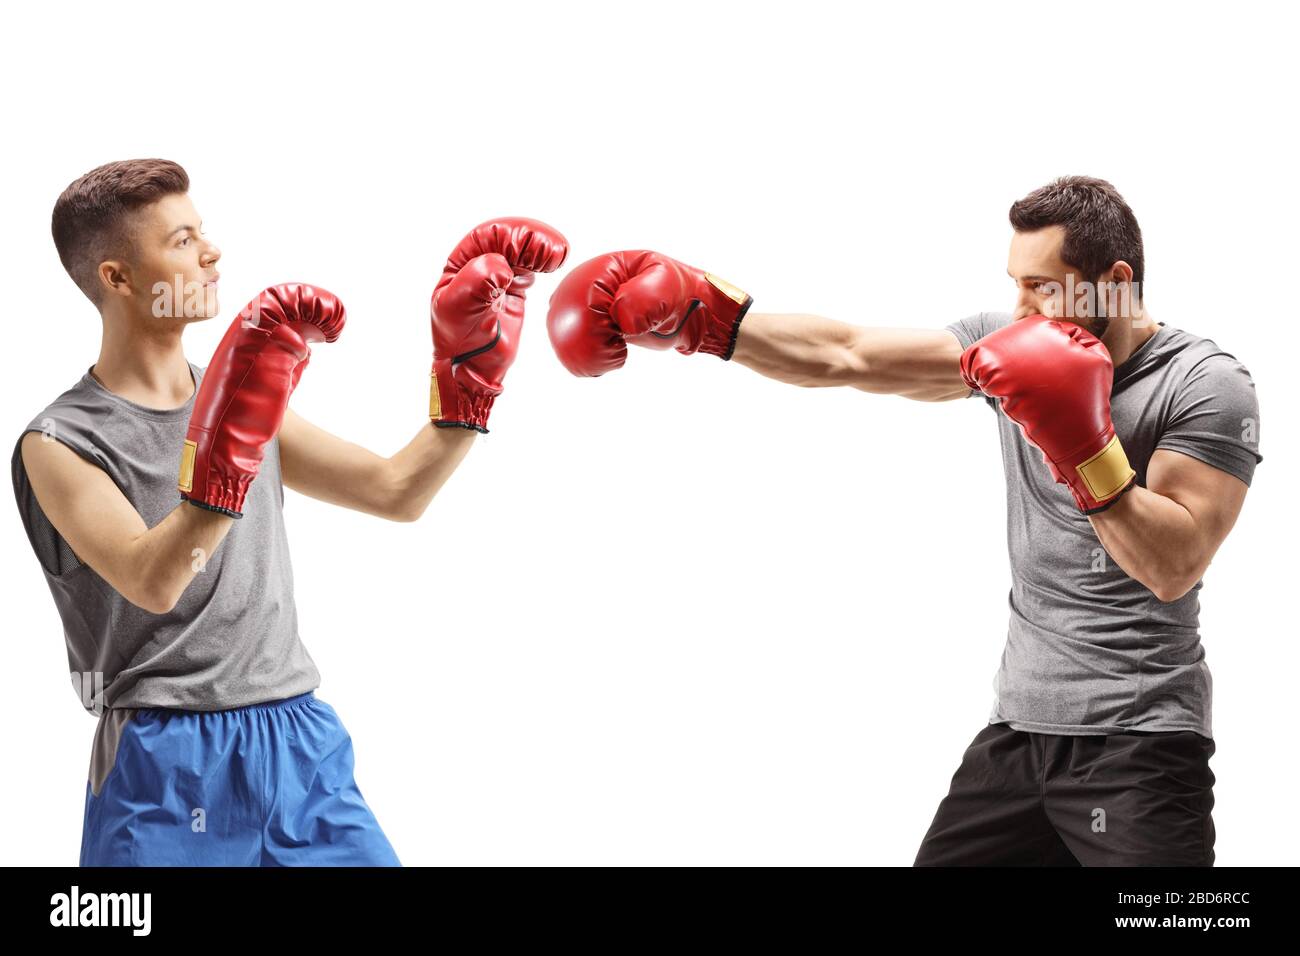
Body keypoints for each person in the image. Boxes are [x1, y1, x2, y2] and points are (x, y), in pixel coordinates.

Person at [546, 176, 1261, 866]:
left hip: (1139, 743)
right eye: (1013, 281)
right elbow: (847, 354)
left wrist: (1086, 446)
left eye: (1040, 287)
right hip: (1016, 735)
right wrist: (709, 321)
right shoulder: (1008, 347)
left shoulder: (1204, 382)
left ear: (1115, 280)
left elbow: (1174, 565)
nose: (1017, 312)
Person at [12, 157, 567, 865]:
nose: (212, 252)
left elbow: (397, 491)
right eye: (181, 241)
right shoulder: (60, 442)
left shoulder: (239, 390)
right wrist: (230, 450)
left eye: (201, 231)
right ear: (117, 277)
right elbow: (152, 580)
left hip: (299, 739)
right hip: (167, 757)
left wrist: (469, 385)